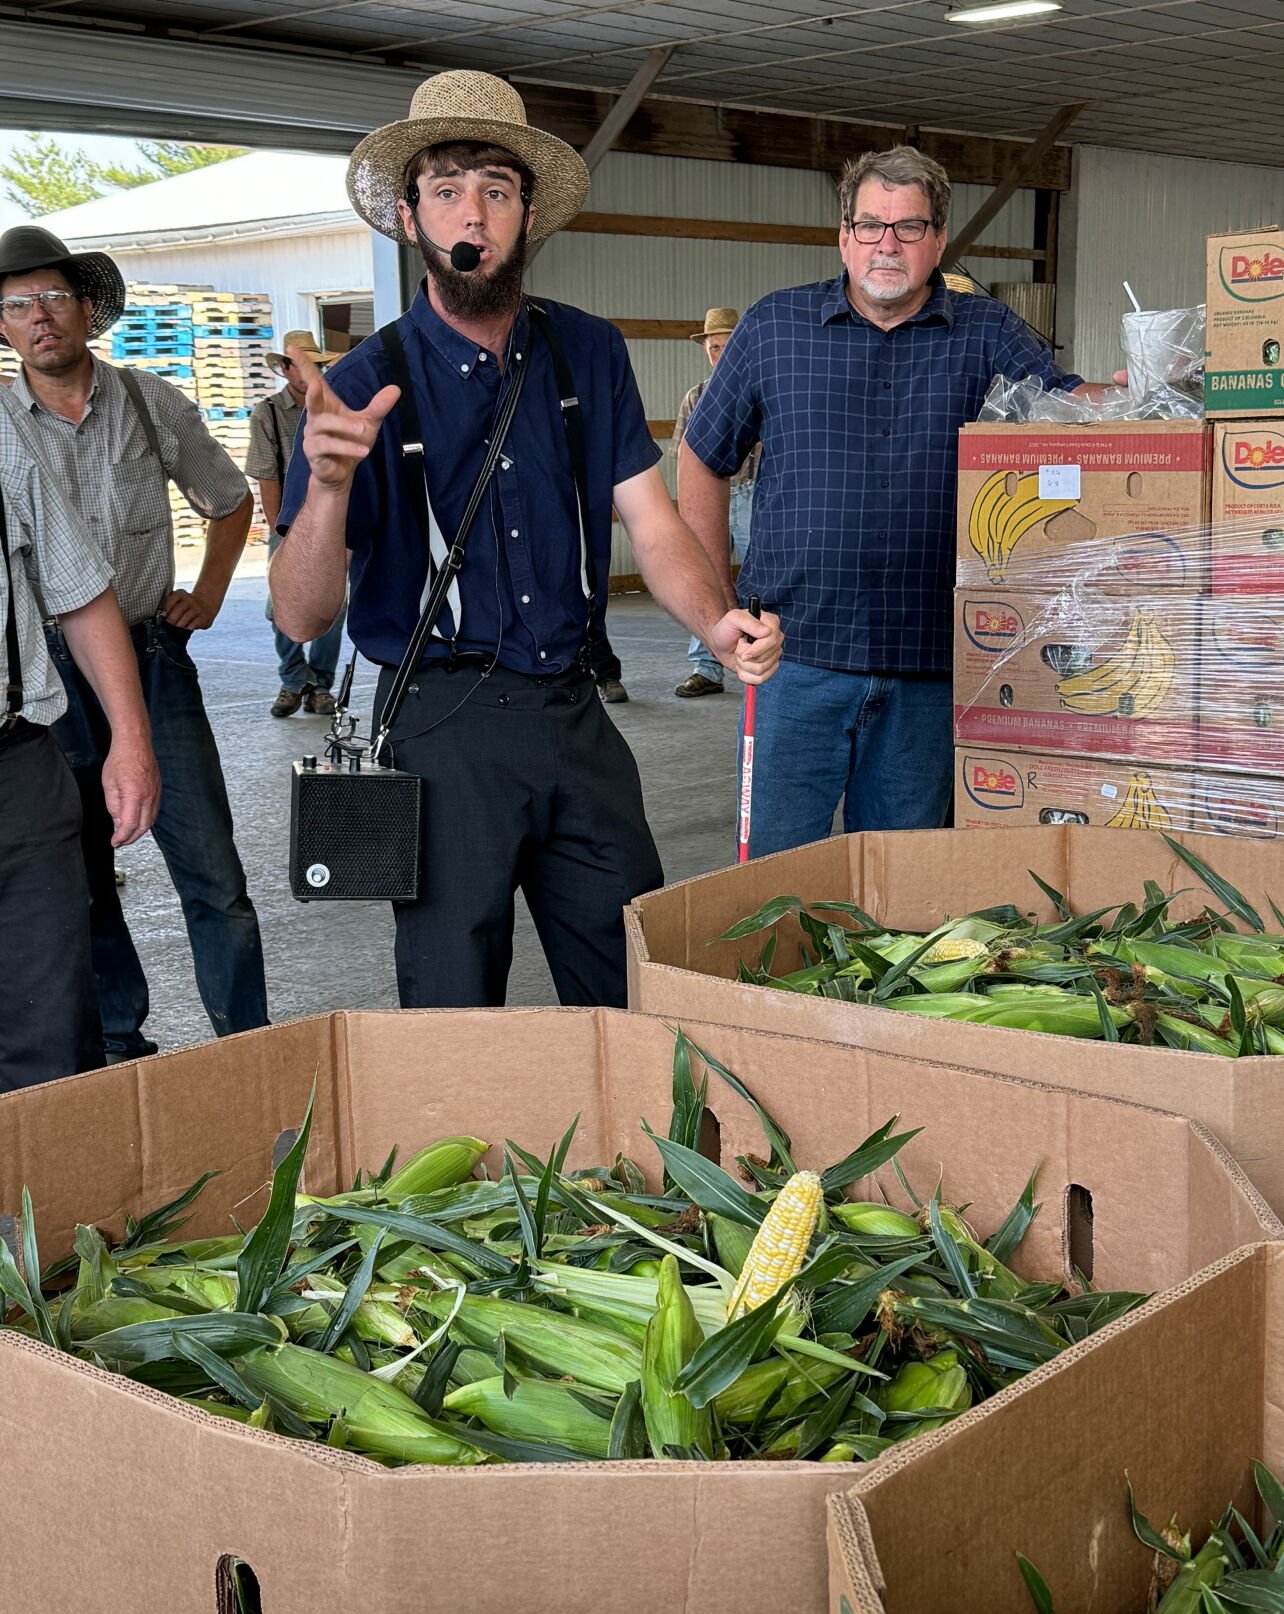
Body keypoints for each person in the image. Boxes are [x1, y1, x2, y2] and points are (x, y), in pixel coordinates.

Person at [271, 70, 782, 1011]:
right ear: (408, 212)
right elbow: (302, 612)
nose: (475, 213)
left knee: (635, 982)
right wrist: (331, 487)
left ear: (527, 211)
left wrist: (715, 624)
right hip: (441, 724)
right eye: (449, 189)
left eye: (497, 191)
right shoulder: (362, 381)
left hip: (575, 713)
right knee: (456, 1006)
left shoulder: (588, 351)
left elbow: (654, 520)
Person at [679, 145, 1096, 856]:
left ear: (937, 241)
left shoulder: (987, 332)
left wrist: (1150, 395)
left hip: (928, 664)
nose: (887, 245)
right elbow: (701, 457)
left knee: (899, 886)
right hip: (794, 658)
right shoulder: (774, 328)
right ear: (844, 235)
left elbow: (1075, 418)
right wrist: (718, 605)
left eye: (909, 228)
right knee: (774, 874)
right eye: (871, 225)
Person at [0, 224, 269, 1061]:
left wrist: (212, 590)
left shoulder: (152, 403)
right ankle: (121, 1050)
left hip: (151, 661)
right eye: (16, 306)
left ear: (86, 309)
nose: (39, 317)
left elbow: (230, 499)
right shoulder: (1, 427)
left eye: (52, 297)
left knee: (213, 875)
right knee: (79, 883)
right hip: (46, 677)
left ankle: (247, 1047)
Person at [0, 382, 160, 1088]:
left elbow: (79, 590)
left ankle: (51, 1198)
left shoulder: (3, 434)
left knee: (54, 1033)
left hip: (14, 769)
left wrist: (130, 738)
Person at [247, 329, 348, 718]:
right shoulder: (268, 413)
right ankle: (292, 679)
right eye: (302, 364)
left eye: (317, 364)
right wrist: (280, 532)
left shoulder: (333, 408)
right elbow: (266, 477)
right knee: (280, 607)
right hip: (290, 524)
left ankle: (320, 684)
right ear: (286, 368)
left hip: (333, 523)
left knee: (334, 605)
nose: (310, 371)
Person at [671, 308, 760, 698]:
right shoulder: (696, 397)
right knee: (703, 577)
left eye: (727, 347)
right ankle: (706, 664)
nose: (720, 354)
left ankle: (768, 655)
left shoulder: (760, 389)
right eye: (713, 347)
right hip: (711, 497)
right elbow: (682, 455)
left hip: (754, 492)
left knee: (762, 578)